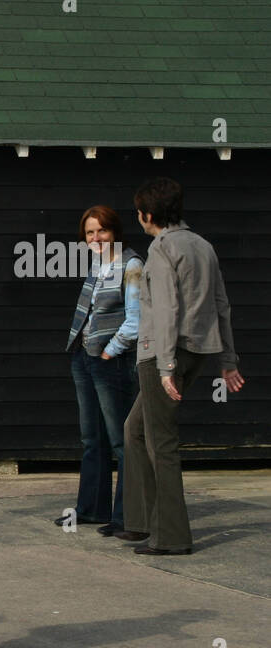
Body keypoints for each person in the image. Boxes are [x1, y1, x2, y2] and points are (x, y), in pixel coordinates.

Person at [121, 178, 244, 556]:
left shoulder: (161, 248)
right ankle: (143, 522)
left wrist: (165, 365)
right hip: (198, 350)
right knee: (135, 429)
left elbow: (168, 307)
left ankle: (171, 536)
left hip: (163, 352)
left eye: (139, 213)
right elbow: (222, 304)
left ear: (147, 215)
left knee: (161, 441)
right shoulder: (203, 246)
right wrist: (227, 361)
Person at [61, 206, 143, 535]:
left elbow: (136, 319)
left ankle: (125, 517)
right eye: (90, 232)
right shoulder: (98, 263)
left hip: (112, 360)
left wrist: (110, 351)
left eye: (101, 231)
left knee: (121, 441)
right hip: (84, 356)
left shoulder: (132, 265)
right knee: (91, 439)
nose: (95, 238)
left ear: (115, 232)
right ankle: (92, 509)